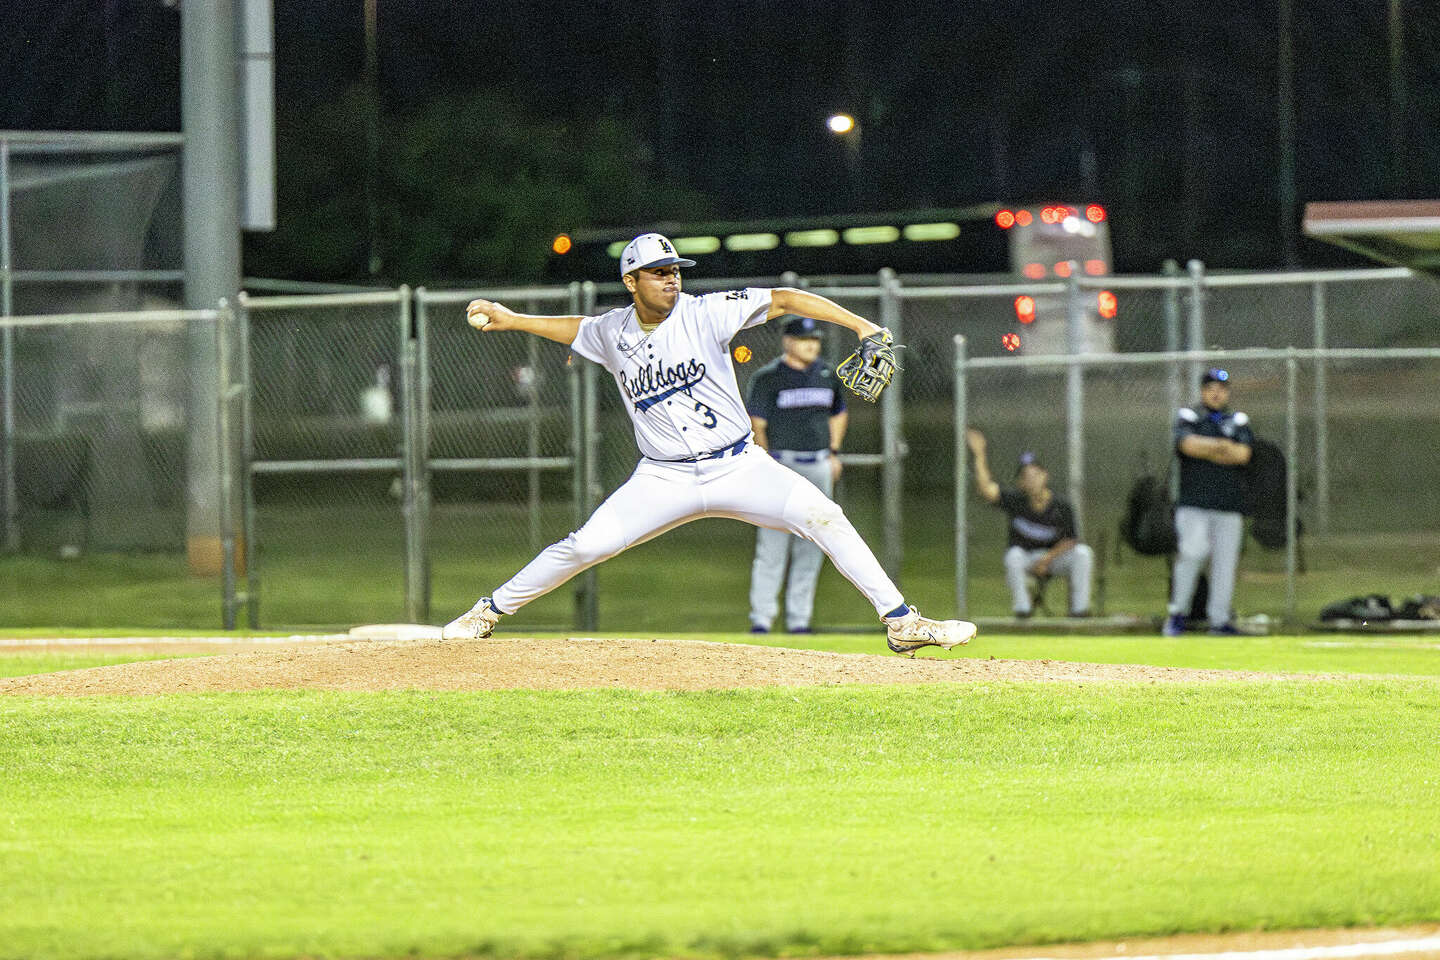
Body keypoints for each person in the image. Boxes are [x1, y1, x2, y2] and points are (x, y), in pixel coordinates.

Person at [442, 233, 976, 655]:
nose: (672, 280)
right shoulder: (611, 331)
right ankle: (485, 613)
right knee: (585, 545)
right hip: (663, 477)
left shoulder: (706, 311)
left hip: (739, 466)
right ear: (631, 281)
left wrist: (863, 325)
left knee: (824, 515)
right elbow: (574, 328)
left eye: (675, 271)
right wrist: (513, 320)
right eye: (659, 273)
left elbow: (787, 298)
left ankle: (902, 623)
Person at [744, 315, 848, 634]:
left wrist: (833, 452)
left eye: (815, 340)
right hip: (782, 465)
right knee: (772, 543)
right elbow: (757, 424)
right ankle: (761, 620)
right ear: (788, 342)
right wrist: (766, 464)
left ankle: (799, 620)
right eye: (805, 340)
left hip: (818, 464)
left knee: (814, 543)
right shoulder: (768, 377)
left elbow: (839, 413)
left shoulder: (827, 374)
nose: (812, 345)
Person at [1163, 368, 1253, 637]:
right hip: (1194, 505)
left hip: (1229, 506)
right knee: (1192, 554)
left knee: (1225, 565)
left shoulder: (1237, 420)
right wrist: (1222, 446)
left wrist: (1208, 450)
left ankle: (1219, 620)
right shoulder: (1190, 416)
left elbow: (1243, 455)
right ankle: (1177, 614)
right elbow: (1187, 446)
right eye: (1211, 387)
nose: (1216, 392)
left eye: (1222, 388)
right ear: (1203, 391)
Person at [965, 428, 1093, 618]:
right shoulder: (1016, 501)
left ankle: (1079, 611)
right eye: (1026, 476)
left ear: (1045, 476)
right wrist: (980, 454)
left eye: (1035, 474)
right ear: (1021, 483)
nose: (1032, 480)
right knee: (1013, 556)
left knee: (1083, 554)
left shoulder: (1061, 505)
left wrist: (1046, 560)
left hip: (1053, 559)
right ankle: (1023, 612)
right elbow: (986, 489)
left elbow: (1070, 540)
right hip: (1026, 558)